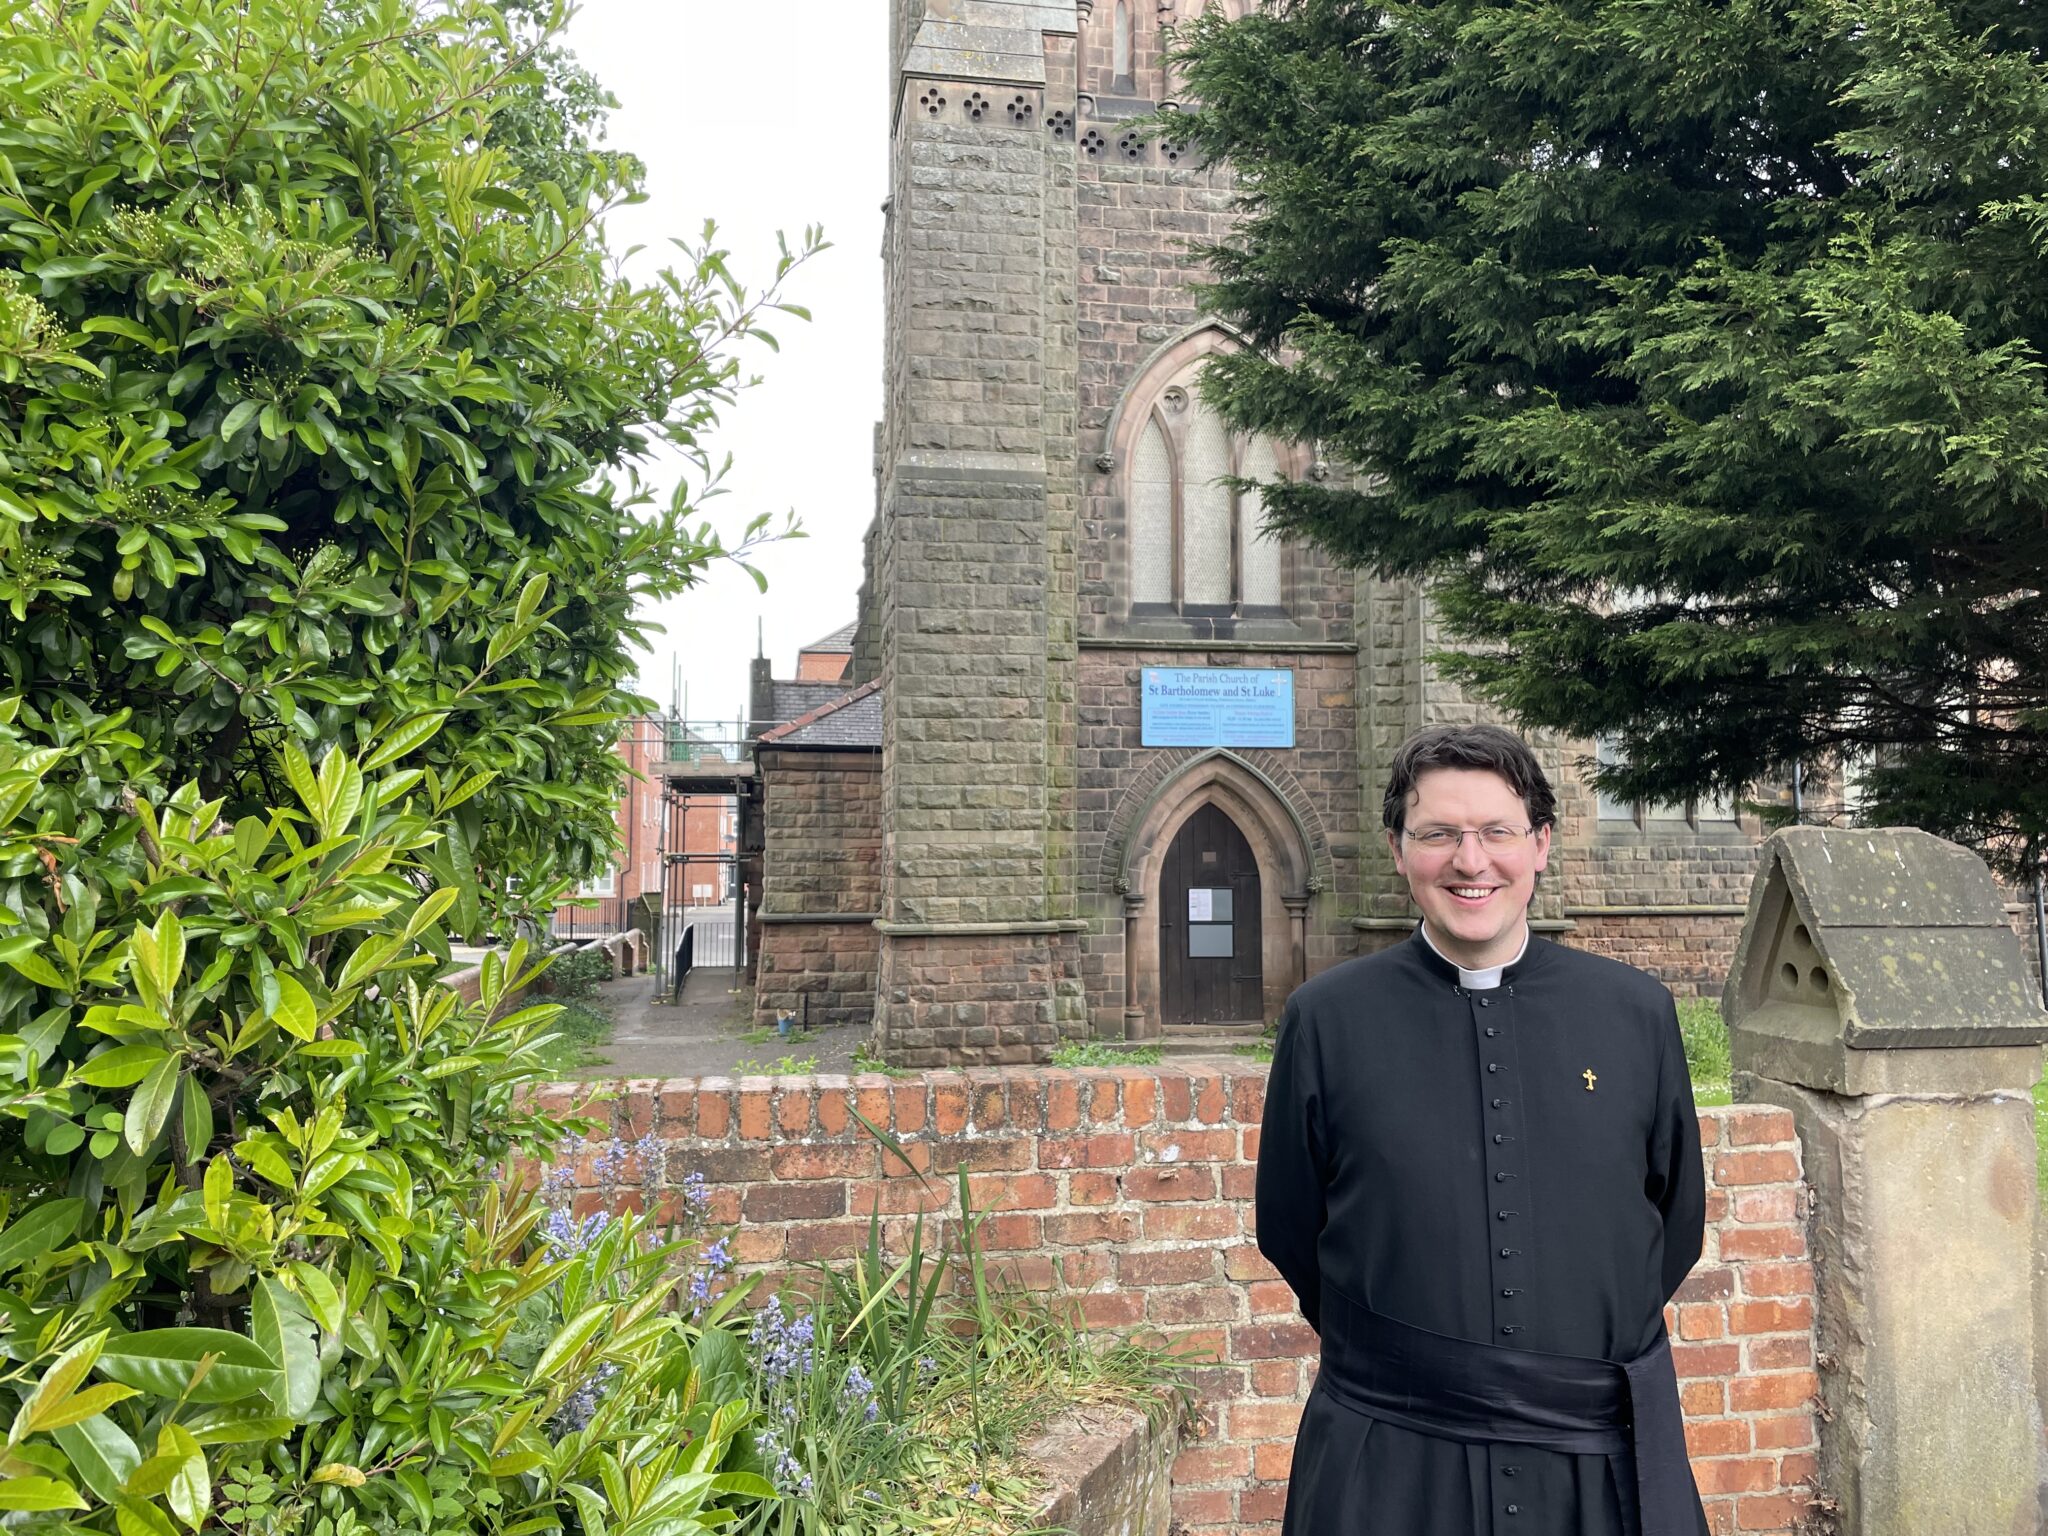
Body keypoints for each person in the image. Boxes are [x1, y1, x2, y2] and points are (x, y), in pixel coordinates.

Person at [1256, 723, 1708, 1536]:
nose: (1471, 861)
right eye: (1438, 835)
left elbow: (1674, 1223)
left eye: (1497, 832)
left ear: (1539, 844)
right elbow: (1289, 1224)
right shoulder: (1326, 1020)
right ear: (1399, 850)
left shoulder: (1637, 1014)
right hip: (1389, 1456)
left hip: (1593, 1464)